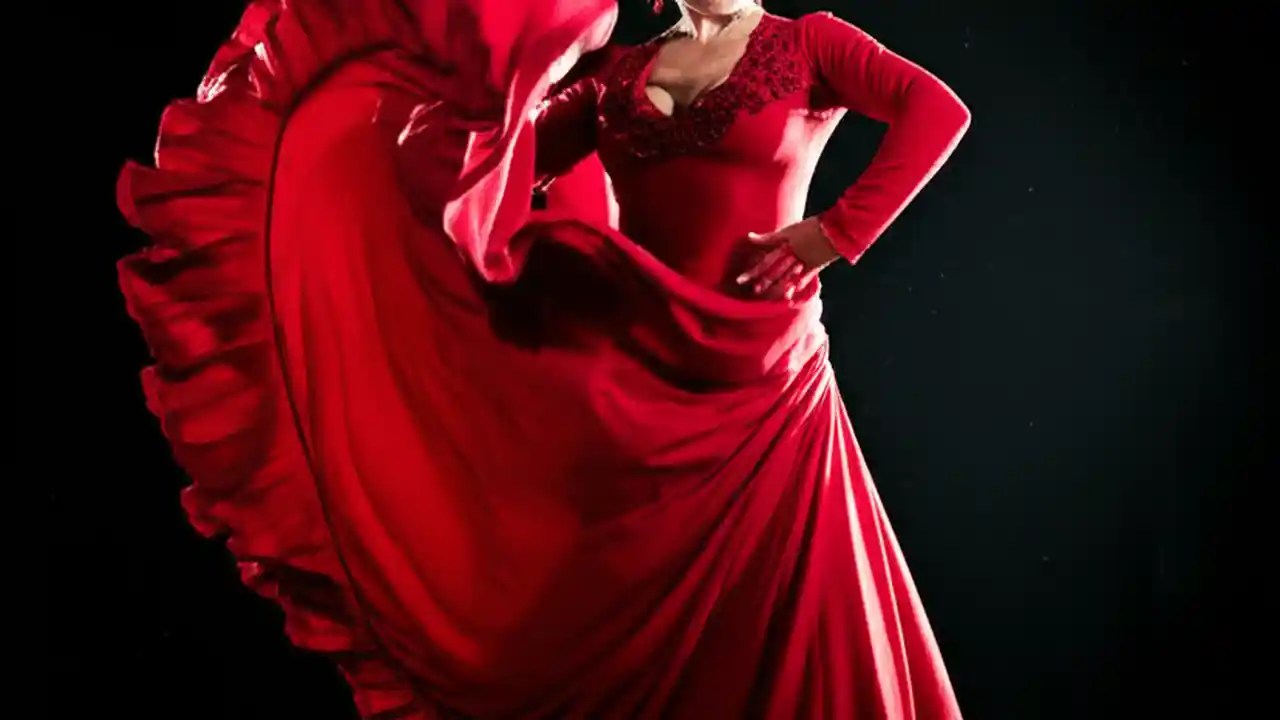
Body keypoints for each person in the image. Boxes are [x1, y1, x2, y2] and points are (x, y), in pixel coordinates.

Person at [115, 0, 970, 717]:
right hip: (636, 381)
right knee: (607, 607)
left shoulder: (811, 40)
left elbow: (938, 111)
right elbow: (507, 161)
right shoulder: (623, 70)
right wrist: (394, 140)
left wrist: (835, 234)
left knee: (779, 610)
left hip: (760, 379)